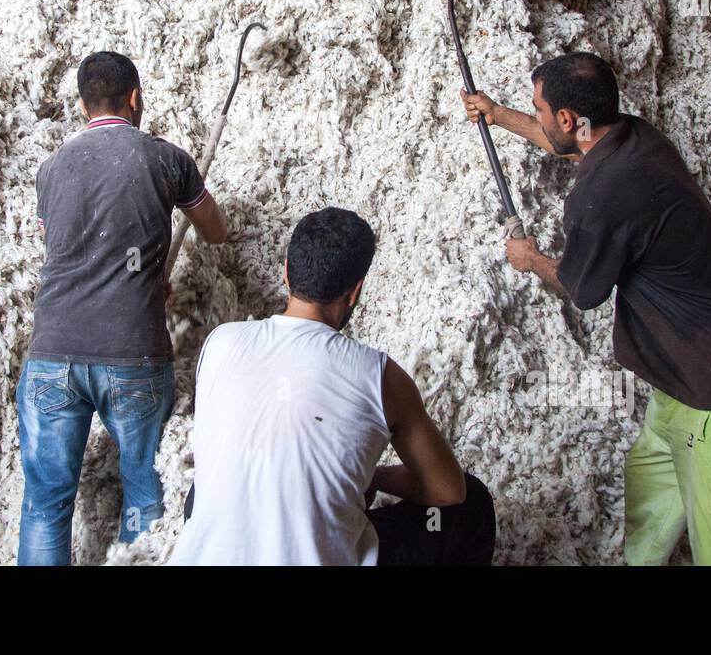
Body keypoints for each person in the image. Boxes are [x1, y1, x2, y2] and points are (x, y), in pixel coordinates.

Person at [462, 51, 711, 566]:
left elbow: (581, 290)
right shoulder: (634, 138)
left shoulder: (603, 195)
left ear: (570, 119)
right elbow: (568, 150)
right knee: (651, 502)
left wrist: (530, 259)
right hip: (681, 379)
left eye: (540, 110)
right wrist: (498, 114)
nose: (541, 117)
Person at [172, 207, 496, 565]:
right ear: (354, 292)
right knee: (472, 503)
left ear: (286, 273)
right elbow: (447, 490)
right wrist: (376, 476)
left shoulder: (221, 341)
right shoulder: (381, 375)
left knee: (200, 494)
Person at [17, 51, 227, 565]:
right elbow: (216, 232)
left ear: (83, 103)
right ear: (134, 98)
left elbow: (69, 252)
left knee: (45, 504)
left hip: (51, 357)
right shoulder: (165, 158)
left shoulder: (50, 170)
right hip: (132, 356)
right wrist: (145, 273)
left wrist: (140, 274)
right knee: (142, 491)